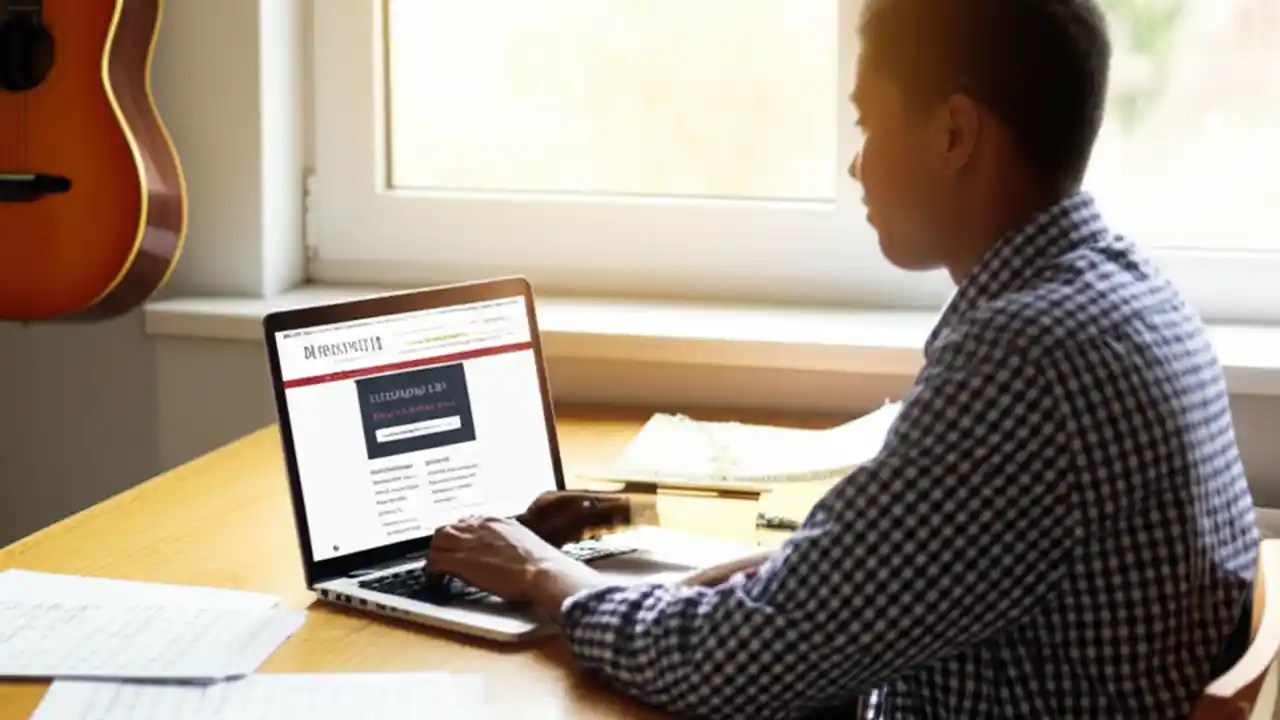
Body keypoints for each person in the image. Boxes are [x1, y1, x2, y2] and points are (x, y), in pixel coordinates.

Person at [426, 0, 1260, 716]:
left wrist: (543, 574)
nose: (856, 164)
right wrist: (766, 580)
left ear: (954, 133)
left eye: (867, 123)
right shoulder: (1128, 292)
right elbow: (922, 567)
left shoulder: (1025, 362)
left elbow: (742, 665)